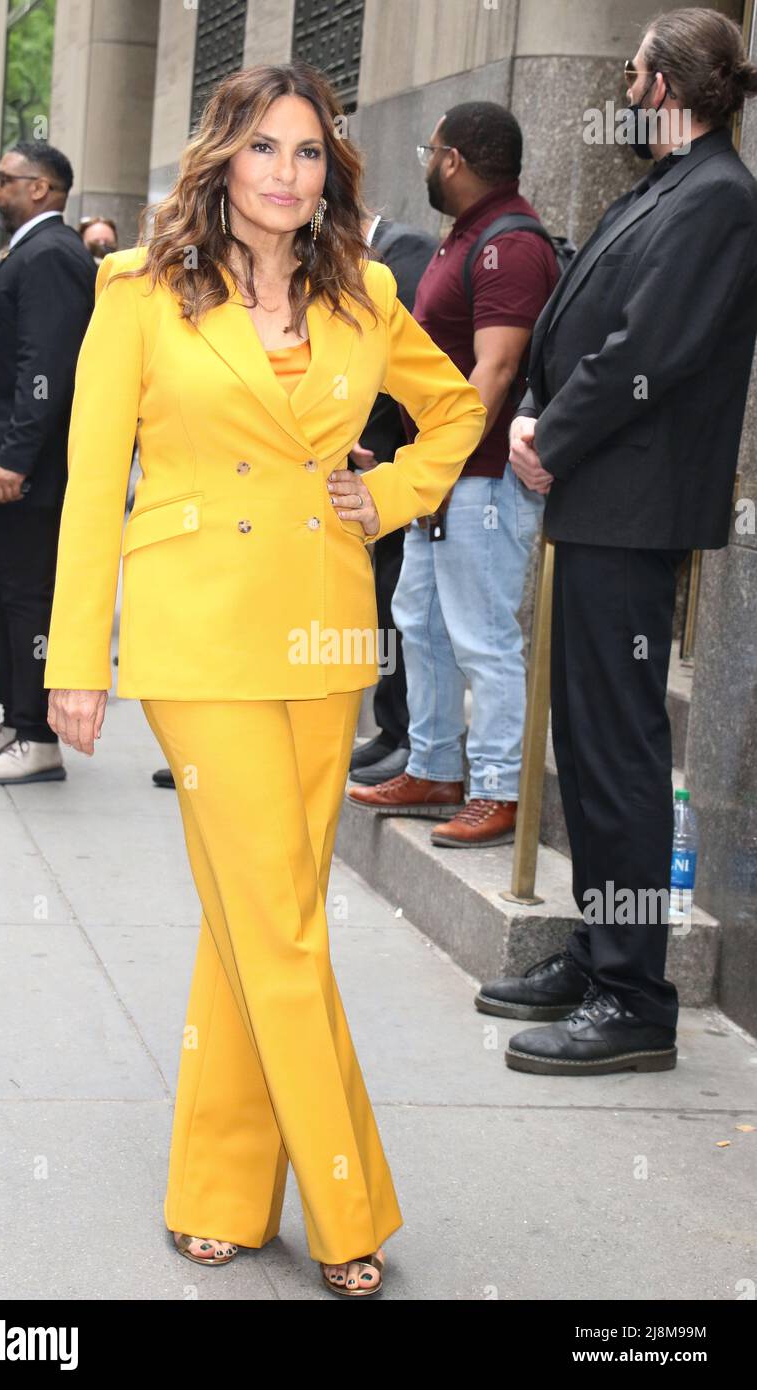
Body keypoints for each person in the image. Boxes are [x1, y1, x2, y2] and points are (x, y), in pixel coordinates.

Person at [43, 61, 485, 1298]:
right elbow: (90, 480)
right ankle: (349, 1209)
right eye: (265, 148)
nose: (287, 173)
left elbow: (452, 414)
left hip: (326, 637)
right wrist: (74, 659)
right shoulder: (134, 292)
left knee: (253, 917)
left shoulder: (368, 293)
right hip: (199, 640)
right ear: (221, 158)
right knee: (282, 927)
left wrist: (386, 492)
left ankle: (219, 1189)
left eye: (309, 152)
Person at [477, 7, 757, 1074]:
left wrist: (553, 430)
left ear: (661, 83)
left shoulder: (719, 199)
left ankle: (633, 994)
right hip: (599, 500)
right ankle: (600, 954)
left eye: (633, 75)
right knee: (589, 746)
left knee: (620, 755)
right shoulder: (668, 184)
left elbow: (653, 347)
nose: (623, 94)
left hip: (627, 505)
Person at [348, 103, 558, 845]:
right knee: (422, 623)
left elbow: (496, 369)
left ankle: (498, 789)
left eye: (429, 150)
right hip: (443, 475)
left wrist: (438, 465)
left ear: (457, 160)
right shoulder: (468, 237)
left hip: (482, 478)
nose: (425, 162)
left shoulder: (511, 244)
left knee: (481, 636)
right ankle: (435, 765)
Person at [0, 142, 97, 782]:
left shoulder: (53, 257)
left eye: (3, 179)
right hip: (0, 469)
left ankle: (39, 738)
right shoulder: (29, 251)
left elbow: (46, 370)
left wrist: (13, 458)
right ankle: (15, 718)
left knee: (28, 597)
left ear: (41, 189)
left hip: (28, 476)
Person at [346, 207, 439, 785]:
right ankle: (389, 727)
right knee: (387, 607)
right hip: (367, 466)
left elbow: (418, 373)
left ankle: (406, 733)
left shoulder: (405, 259)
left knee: (400, 607)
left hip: (394, 467)